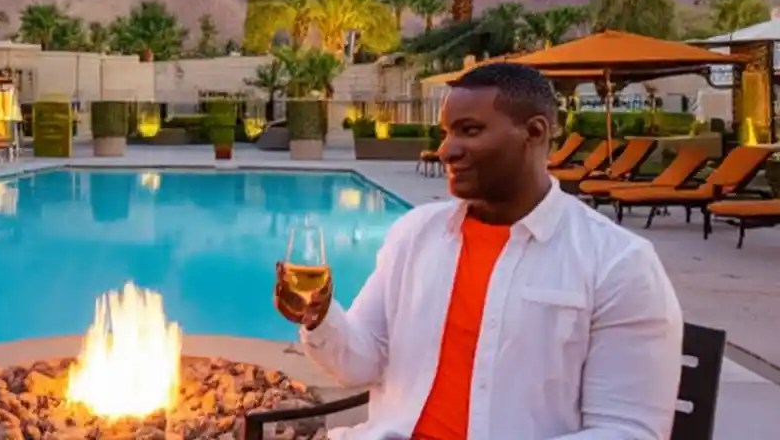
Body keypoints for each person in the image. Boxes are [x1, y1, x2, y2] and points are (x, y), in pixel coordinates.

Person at [275, 63, 684, 439]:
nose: (447, 150)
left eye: (469, 131)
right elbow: (359, 362)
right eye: (446, 133)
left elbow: (629, 432)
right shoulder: (416, 235)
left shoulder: (618, 265)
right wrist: (319, 317)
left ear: (535, 132)